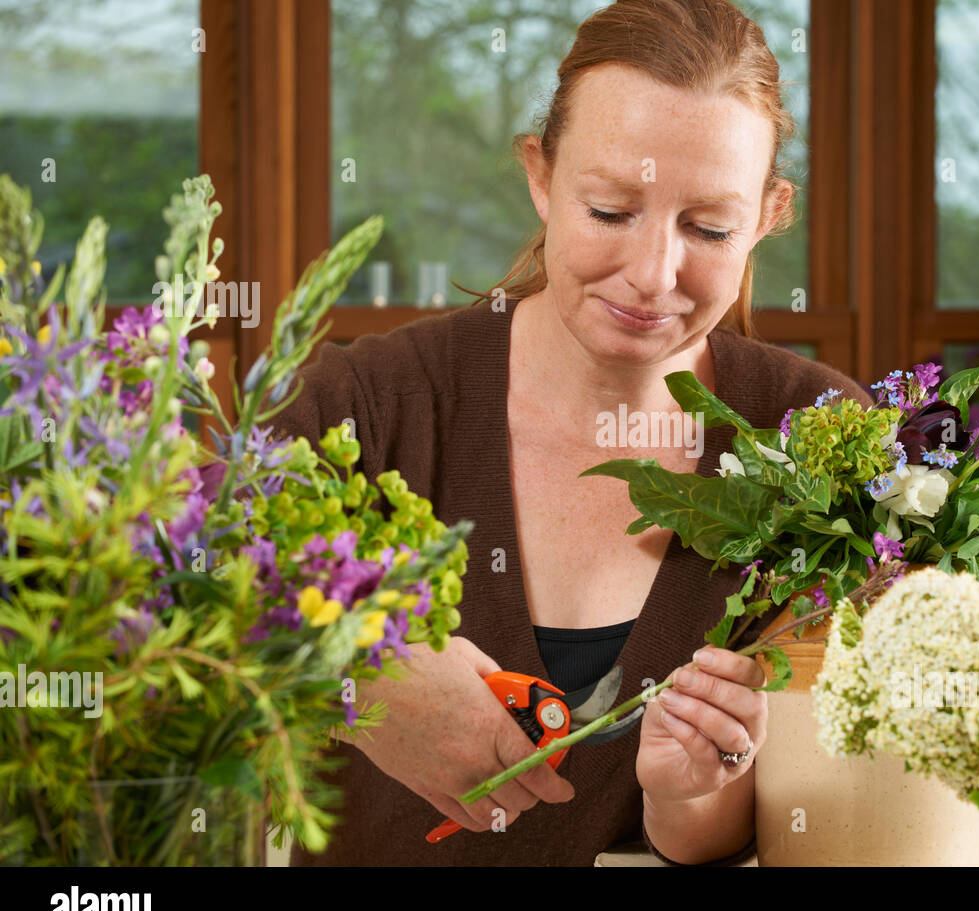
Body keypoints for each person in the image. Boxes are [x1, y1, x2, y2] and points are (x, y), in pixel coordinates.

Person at [269, 0, 872, 866]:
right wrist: (358, 678)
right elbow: (158, 573)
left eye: (708, 228)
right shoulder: (370, 404)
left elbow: (827, 804)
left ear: (771, 213)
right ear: (541, 175)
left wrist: (693, 795)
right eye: (609, 209)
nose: (652, 272)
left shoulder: (824, 443)